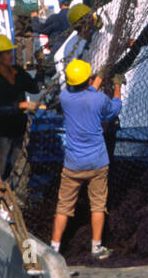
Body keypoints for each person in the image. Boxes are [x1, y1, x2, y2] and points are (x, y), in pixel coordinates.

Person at [51, 59, 122, 259]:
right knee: (98, 205)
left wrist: (97, 78)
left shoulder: (64, 97)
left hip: (73, 164)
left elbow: (85, 93)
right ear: (89, 79)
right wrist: (117, 86)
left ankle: (54, 248)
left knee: (63, 207)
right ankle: (96, 247)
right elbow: (114, 110)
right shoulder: (99, 99)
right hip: (97, 163)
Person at [0, 34, 40, 210]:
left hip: (19, 130)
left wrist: (42, 68)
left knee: (22, 169)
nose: (10, 55)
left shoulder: (18, 72)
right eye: (6, 53)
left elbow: (34, 87)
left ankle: (20, 204)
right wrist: (20, 105)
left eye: (10, 52)